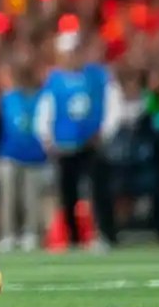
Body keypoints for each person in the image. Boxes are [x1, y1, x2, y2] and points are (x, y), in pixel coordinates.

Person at [35, 31, 120, 250]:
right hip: (65, 146)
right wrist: (46, 137)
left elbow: (113, 105)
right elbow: (45, 109)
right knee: (68, 194)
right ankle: (73, 238)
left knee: (99, 190)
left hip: (92, 144)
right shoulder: (54, 80)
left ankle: (106, 234)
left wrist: (105, 133)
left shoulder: (98, 76)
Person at [0, 61, 49, 252]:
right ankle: (7, 234)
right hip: (9, 154)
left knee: (31, 198)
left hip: (35, 155)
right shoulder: (7, 98)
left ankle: (31, 233)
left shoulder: (43, 98)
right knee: (7, 197)